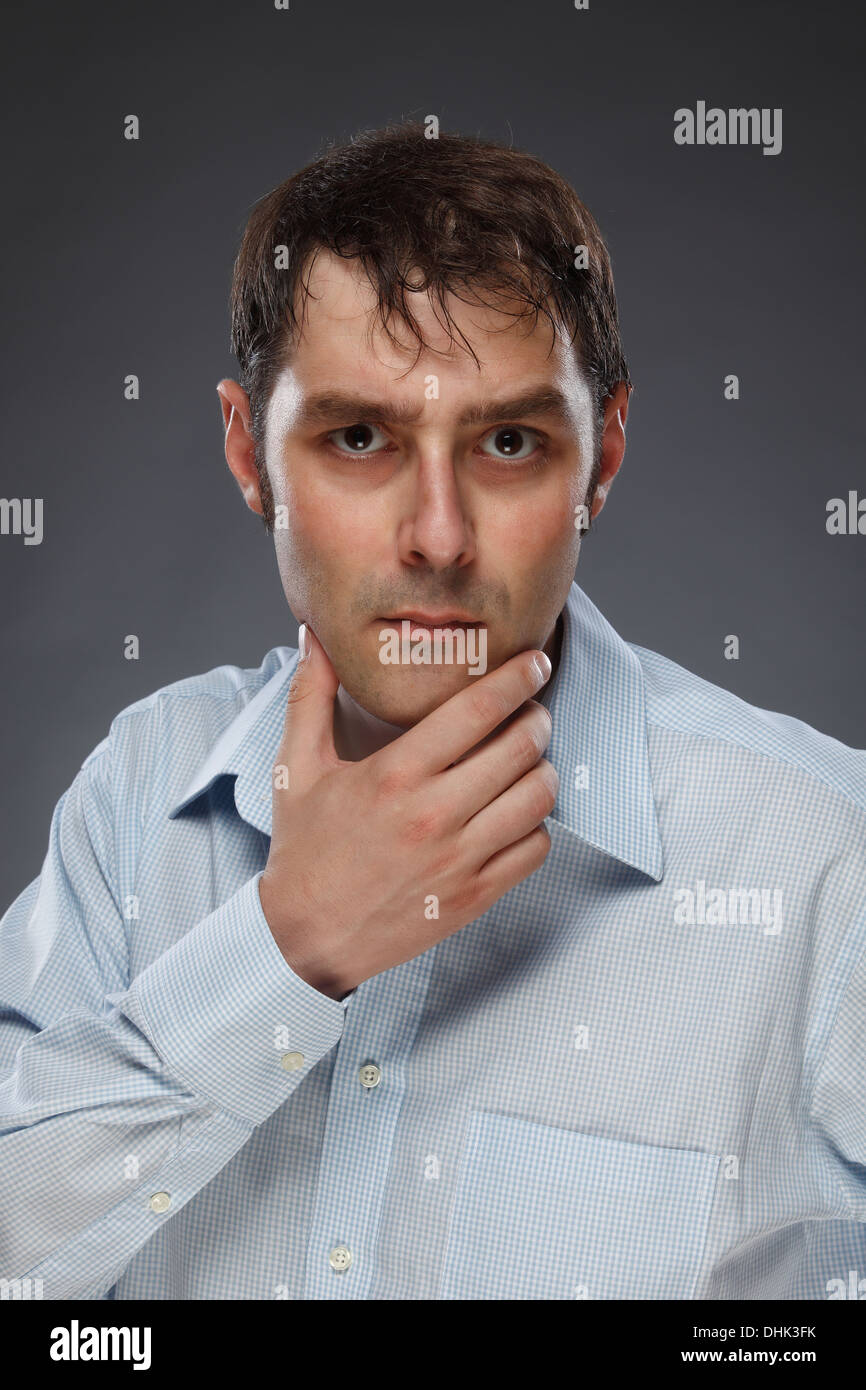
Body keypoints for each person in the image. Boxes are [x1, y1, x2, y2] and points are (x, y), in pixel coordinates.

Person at [1, 122, 864, 1302]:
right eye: (359, 438)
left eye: (507, 441)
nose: (438, 537)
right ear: (247, 454)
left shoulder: (823, 858)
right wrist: (285, 946)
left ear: (601, 454)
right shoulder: (143, 789)